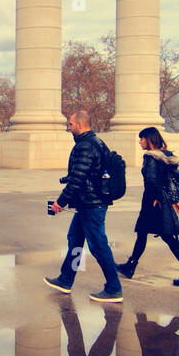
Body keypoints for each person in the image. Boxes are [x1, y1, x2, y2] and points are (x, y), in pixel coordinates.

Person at [44, 108, 123, 304]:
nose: (68, 127)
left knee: (98, 246)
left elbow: (79, 178)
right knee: (75, 240)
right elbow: (87, 172)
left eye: (70, 124)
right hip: (88, 203)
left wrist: (60, 202)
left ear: (80, 125)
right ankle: (65, 280)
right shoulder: (94, 142)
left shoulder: (85, 145)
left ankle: (114, 288)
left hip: (92, 204)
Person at [115, 126, 179, 287]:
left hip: (154, 201)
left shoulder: (151, 158)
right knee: (142, 232)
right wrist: (172, 200)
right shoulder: (166, 156)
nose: (140, 142)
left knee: (169, 237)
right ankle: (130, 265)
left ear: (149, 140)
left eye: (142, 139)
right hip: (160, 200)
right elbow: (168, 180)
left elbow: (152, 180)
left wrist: (159, 199)